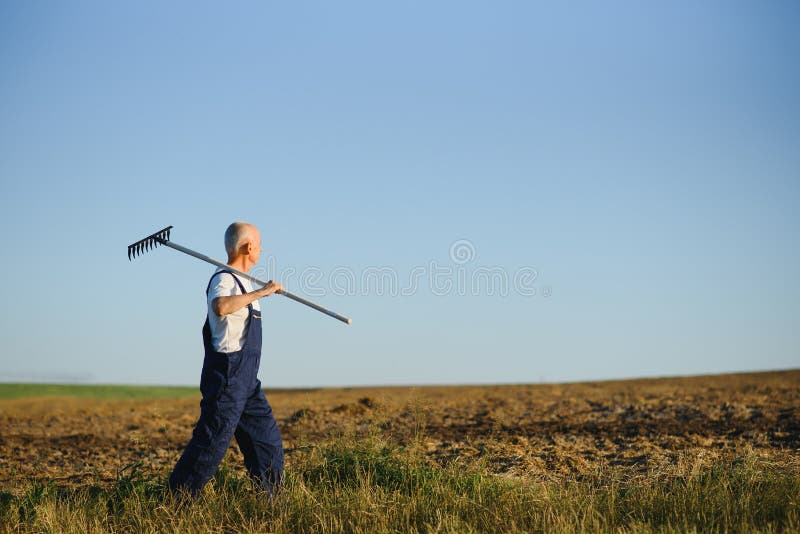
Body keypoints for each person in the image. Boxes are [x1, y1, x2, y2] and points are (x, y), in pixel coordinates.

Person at [169, 222, 284, 496]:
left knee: (266, 443)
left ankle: (271, 502)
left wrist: (256, 292)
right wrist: (262, 292)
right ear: (248, 247)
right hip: (228, 378)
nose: (262, 249)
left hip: (247, 382)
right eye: (260, 243)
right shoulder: (224, 279)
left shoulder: (243, 283)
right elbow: (220, 307)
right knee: (210, 445)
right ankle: (176, 501)